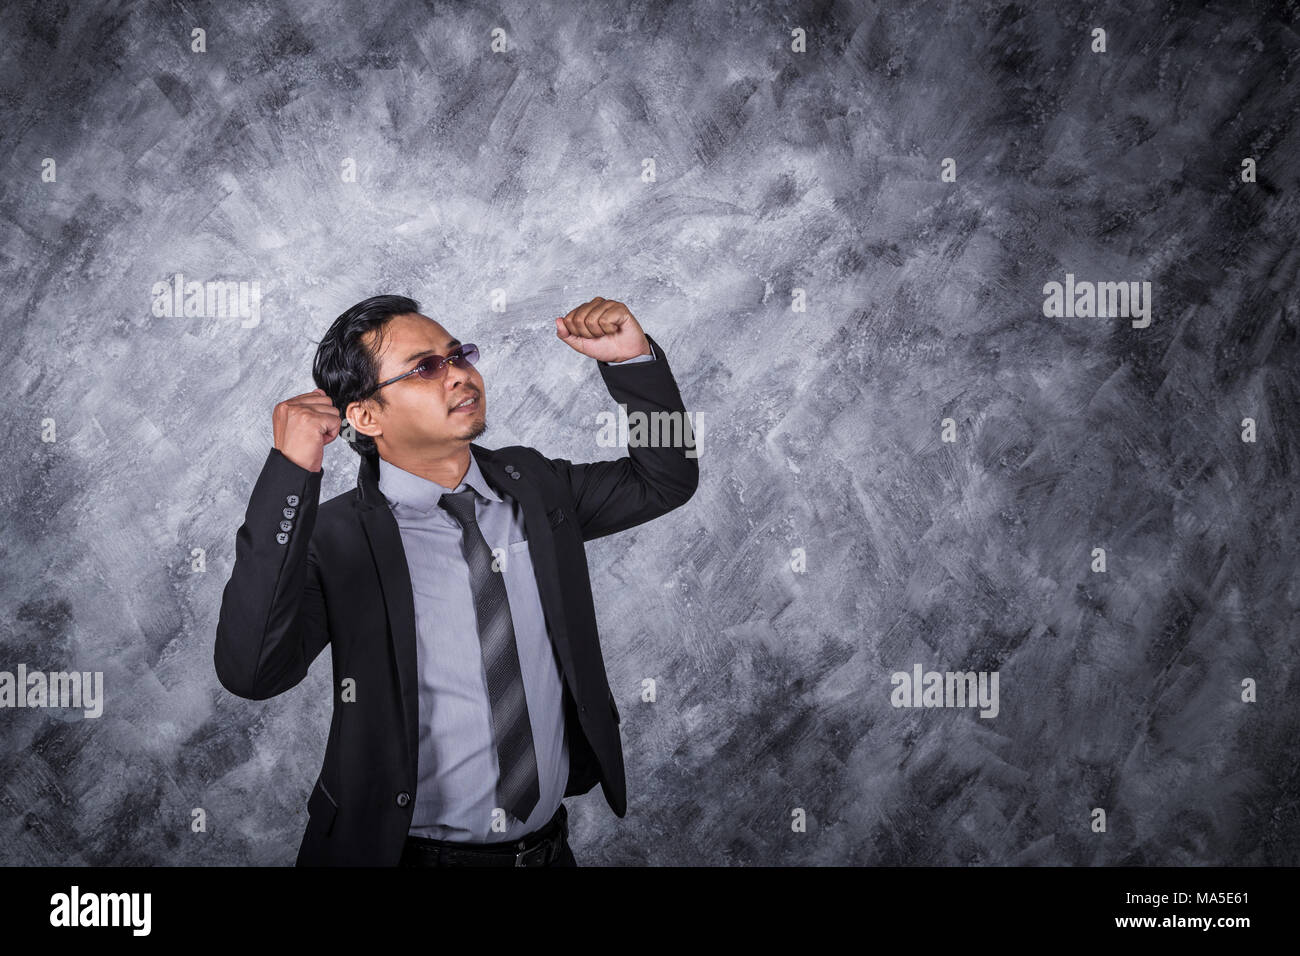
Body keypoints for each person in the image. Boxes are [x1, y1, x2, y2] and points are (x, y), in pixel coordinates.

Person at [214, 294, 698, 866]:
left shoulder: (536, 486)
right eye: (426, 367)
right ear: (366, 416)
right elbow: (251, 673)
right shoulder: (334, 539)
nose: (460, 375)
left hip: (547, 853)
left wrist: (632, 364)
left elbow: (666, 481)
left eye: (458, 354)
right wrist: (292, 473)